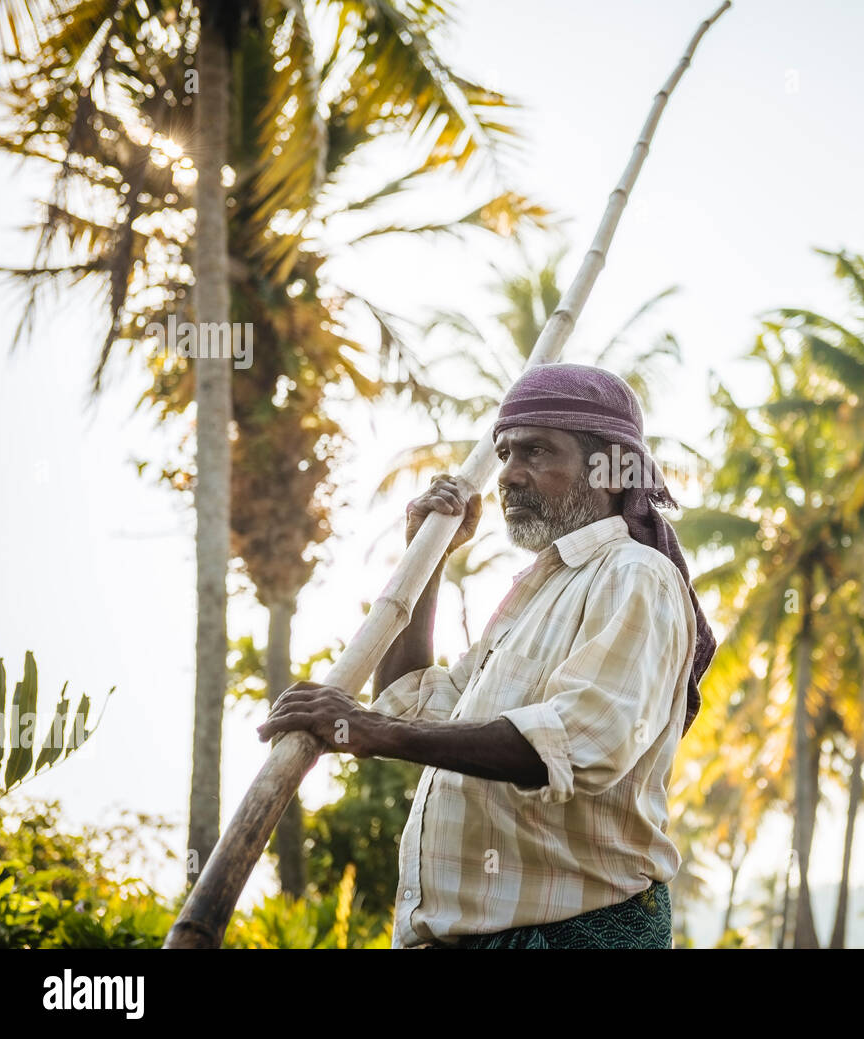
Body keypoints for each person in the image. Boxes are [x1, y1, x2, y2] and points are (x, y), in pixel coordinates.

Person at [257, 363, 716, 948]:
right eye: (503, 454)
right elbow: (412, 703)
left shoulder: (635, 574)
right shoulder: (536, 596)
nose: (510, 475)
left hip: (573, 935)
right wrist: (429, 561)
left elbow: (576, 741)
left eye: (536, 452)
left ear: (608, 468)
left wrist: (369, 732)